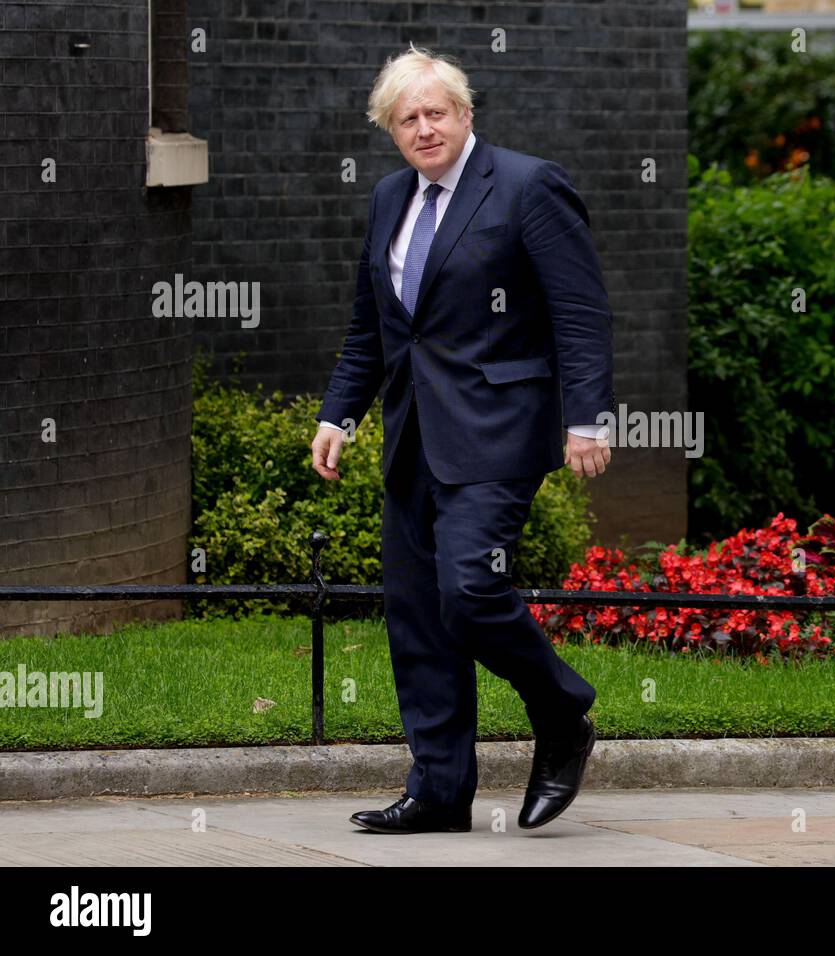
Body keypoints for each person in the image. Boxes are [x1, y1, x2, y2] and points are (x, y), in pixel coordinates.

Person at [310, 45, 614, 834]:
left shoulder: (525, 185)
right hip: (413, 435)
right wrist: (338, 414)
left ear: (465, 114)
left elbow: (580, 310)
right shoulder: (388, 199)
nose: (423, 128)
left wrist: (588, 417)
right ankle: (440, 790)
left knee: (470, 592)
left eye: (435, 112)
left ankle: (562, 713)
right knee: (417, 616)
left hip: (498, 432)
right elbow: (370, 330)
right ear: (392, 132)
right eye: (407, 119)